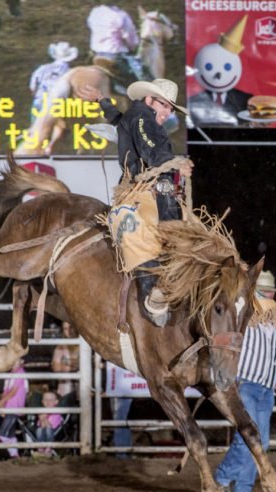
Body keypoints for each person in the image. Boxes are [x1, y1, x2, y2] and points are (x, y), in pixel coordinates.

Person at [81, 78, 194, 326]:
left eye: (171, 109)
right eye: (165, 106)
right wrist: (174, 161)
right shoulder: (143, 118)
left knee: (171, 234)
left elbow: (119, 121)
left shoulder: (137, 116)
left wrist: (102, 101)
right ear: (150, 100)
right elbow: (150, 149)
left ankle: (163, 284)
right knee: (154, 234)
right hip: (144, 190)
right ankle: (154, 290)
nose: (167, 113)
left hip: (151, 188)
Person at [214, 270, 276, 492]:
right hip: (245, 382)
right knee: (248, 437)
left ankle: (242, 489)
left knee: (261, 441)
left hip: (266, 384)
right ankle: (223, 477)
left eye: (271, 291)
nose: (269, 294)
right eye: (265, 290)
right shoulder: (245, 313)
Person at [86, 3, 141, 84]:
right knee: (140, 79)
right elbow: (129, 36)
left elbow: (90, 26)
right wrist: (134, 46)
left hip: (96, 55)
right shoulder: (121, 15)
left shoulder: (94, 12)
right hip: (116, 55)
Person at [28, 41, 78, 122]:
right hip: (57, 105)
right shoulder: (70, 72)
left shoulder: (42, 68)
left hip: (39, 101)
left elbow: (32, 87)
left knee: (35, 130)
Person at [0, 358, 29, 458]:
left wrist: (2, 402)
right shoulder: (10, 374)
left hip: (15, 406)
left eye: (15, 360)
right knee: (9, 434)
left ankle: (13, 450)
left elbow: (14, 391)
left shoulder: (20, 373)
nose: (12, 363)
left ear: (22, 362)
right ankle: (15, 455)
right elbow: (5, 390)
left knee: (2, 434)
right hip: (9, 406)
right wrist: (2, 405)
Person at [51, 321, 79, 399]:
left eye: (71, 328)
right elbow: (57, 369)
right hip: (66, 384)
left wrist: (67, 362)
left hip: (82, 385)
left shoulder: (83, 344)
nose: (69, 331)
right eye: (65, 329)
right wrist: (73, 364)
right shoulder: (61, 347)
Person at [33, 390, 63, 457]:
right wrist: (42, 417)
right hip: (43, 431)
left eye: (51, 400)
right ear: (42, 401)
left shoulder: (56, 412)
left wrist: (45, 416)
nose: (48, 402)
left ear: (56, 402)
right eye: (45, 400)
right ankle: (40, 449)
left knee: (48, 430)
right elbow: (41, 425)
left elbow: (50, 426)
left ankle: (48, 449)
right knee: (39, 430)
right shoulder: (42, 411)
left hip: (53, 431)